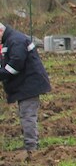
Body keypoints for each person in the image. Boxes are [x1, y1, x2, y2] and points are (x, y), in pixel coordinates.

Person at [0, 22, 52, 153]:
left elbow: (16, 64)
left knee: (27, 115)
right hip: (25, 84)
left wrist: (2, 74)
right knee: (26, 114)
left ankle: (31, 147)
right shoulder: (10, 40)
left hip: (29, 85)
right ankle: (30, 144)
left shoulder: (16, 40)